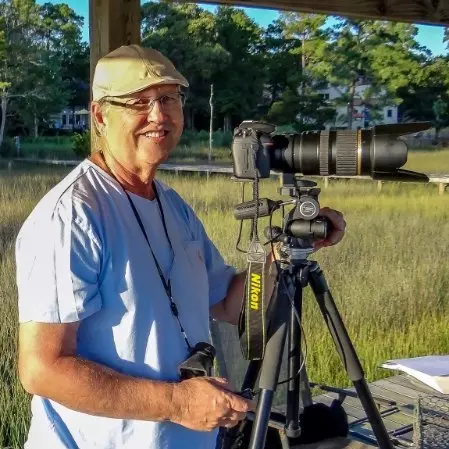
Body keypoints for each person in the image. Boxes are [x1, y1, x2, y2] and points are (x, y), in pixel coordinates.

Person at [15, 45, 346, 449]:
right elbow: (41, 369)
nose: (158, 115)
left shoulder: (173, 206)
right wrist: (176, 402)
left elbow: (227, 302)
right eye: (139, 101)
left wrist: (286, 249)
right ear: (100, 115)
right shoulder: (71, 216)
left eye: (168, 98)